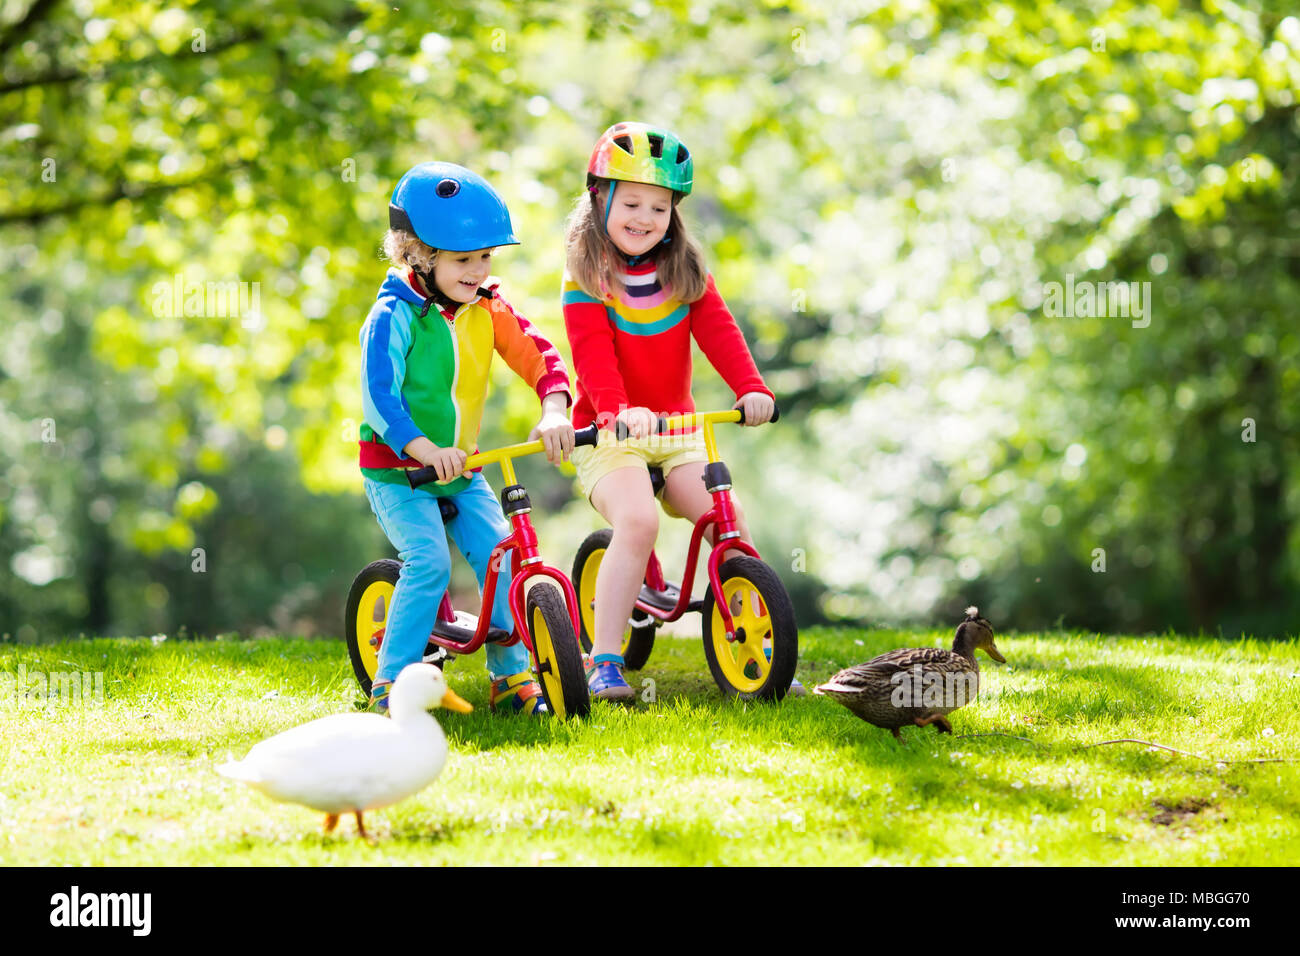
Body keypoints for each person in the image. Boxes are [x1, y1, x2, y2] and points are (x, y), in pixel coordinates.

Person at [562, 122, 800, 700]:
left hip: (680, 431)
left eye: (660, 207)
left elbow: (719, 331)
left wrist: (750, 386)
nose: (645, 218)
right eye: (633, 203)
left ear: (675, 213)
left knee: (728, 519)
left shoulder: (685, 271)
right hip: (610, 434)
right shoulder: (586, 278)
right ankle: (605, 661)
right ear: (601, 198)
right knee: (638, 522)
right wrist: (618, 410)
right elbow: (593, 357)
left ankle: (759, 652)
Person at [360, 161, 575, 715]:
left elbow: (537, 353)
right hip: (400, 471)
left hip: (463, 470)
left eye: (485, 256)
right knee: (429, 561)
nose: (477, 270)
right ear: (416, 255)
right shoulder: (393, 315)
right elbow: (380, 399)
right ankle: (391, 682)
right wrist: (425, 451)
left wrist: (554, 408)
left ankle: (511, 677)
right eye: (463, 259)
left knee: (499, 558)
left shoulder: (488, 307)